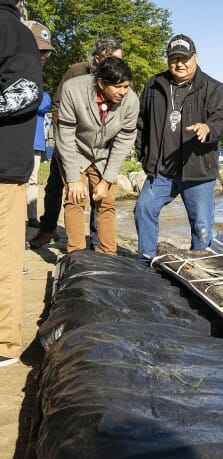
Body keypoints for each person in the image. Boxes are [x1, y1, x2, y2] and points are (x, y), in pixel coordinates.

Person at [134, 34, 223, 260]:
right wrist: (143, 154)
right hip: (162, 171)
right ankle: (146, 260)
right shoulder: (153, 85)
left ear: (195, 57)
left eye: (184, 58)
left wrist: (208, 128)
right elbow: (140, 123)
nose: (180, 63)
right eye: (174, 58)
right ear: (168, 60)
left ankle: (200, 266)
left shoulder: (214, 88)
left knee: (201, 226)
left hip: (198, 171)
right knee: (143, 209)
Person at [28, 35, 123, 250]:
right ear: (98, 58)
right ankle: (48, 229)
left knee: (99, 193)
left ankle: (96, 240)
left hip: (98, 148)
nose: (118, 65)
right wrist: (62, 138)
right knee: (56, 187)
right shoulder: (76, 72)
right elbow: (57, 105)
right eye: (112, 59)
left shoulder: (118, 78)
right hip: (69, 143)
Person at [55, 56, 138, 254]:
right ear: (101, 82)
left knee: (106, 201)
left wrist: (106, 179)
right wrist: (74, 179)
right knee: (75, 198)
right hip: (74, 149)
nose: (123, 92)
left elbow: (123, 143)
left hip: (104, 155)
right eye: (119, 87)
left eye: (127, 86)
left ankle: (108, 253)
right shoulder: (72, 89)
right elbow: (65, 134)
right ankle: (76, 255)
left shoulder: (131, 101)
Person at [0, 0, 43, 365]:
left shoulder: (11, 30)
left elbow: (27, 91)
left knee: (3, 258)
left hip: (2, 169)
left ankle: (3, 344)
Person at [22, 20, 53, 227]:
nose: (43, 56)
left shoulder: (37, 74)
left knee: (32, 179)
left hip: (35, 140)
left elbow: (43, 102)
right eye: (40, 50)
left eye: (47, 52)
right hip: (18, 140)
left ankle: (32, 216)